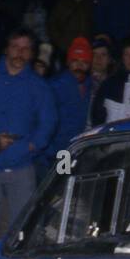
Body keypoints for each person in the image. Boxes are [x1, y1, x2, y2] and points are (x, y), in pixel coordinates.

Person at [0, 28, 56, 239]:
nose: (20, 53)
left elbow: (49, 121)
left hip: (21, 167)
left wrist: (32, 145)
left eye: (26, 49)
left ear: (32, 54)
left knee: (22, 226)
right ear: (6, 49)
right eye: (15, 47)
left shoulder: (39, 85)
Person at [45, 37, 93, 167]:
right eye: (75, 61)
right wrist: (52, 152)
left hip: (77, 151)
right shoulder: (55, 86)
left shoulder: (91, 86)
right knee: (59, 185)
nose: (79, 66)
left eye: (84, 62)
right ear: (68, 62)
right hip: (57, 153)